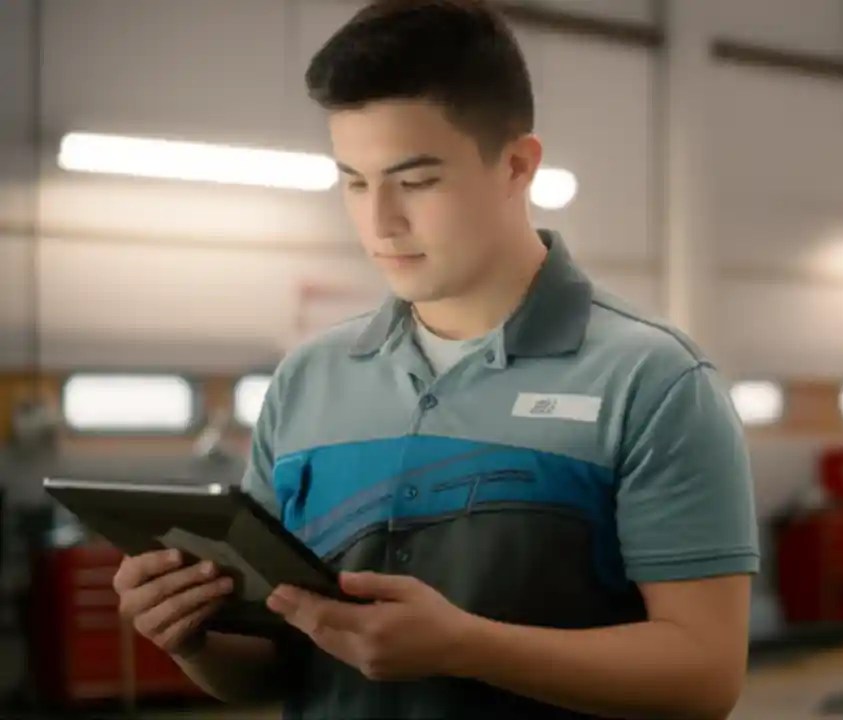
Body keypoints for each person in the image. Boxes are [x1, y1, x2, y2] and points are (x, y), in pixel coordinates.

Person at [111, 0, 759, 717]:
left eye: (416, 181)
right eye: (354, 182)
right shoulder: (309, 379)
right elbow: (275, 669)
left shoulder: (654, 382)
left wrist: (464, 646)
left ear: (516, 165)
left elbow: (704, 676)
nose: (379, 221)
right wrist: (192, 637)